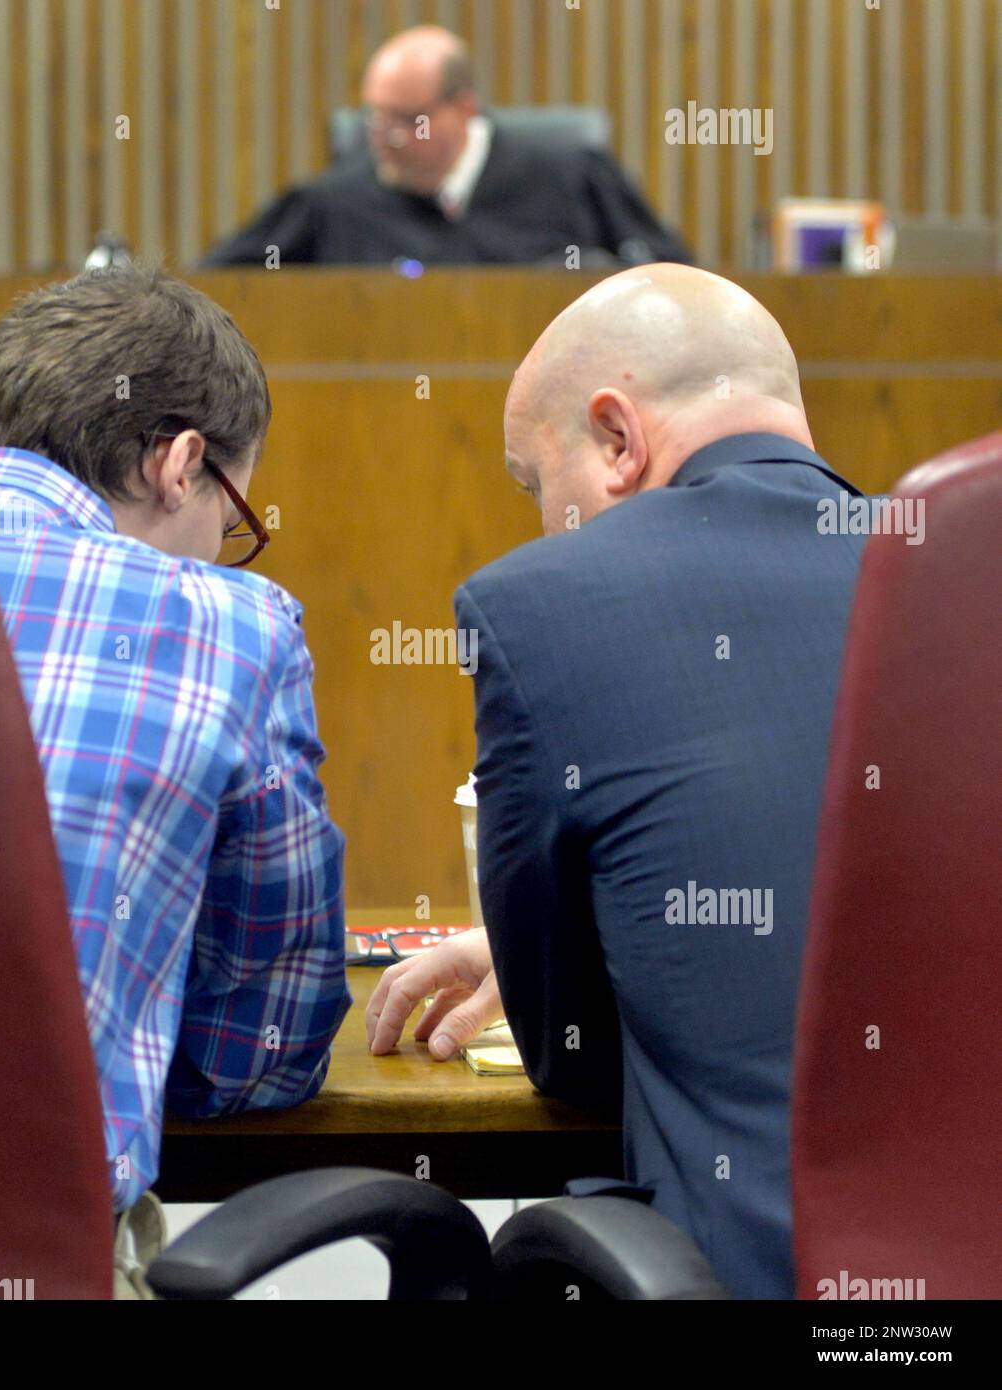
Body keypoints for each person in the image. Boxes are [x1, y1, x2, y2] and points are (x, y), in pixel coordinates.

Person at [367, 264, 870, 1299]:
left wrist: (570, 947)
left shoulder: (543, 604)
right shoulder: (953, 565)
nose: (538, 519)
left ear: (615, 438)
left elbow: (571, 1055)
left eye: (530, 483)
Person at [0, 264, 349, 1298]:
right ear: (179, 463)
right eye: (233, 512)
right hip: (12, 1264)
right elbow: (257, 1051)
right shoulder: (228, 624)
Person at [201, 26, 690, 268]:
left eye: (406, 119)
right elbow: (230, 283)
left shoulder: (573, 178)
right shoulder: (332, 203)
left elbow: (672, 275)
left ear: (464, 108)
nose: (385, 136)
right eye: (374, 117)